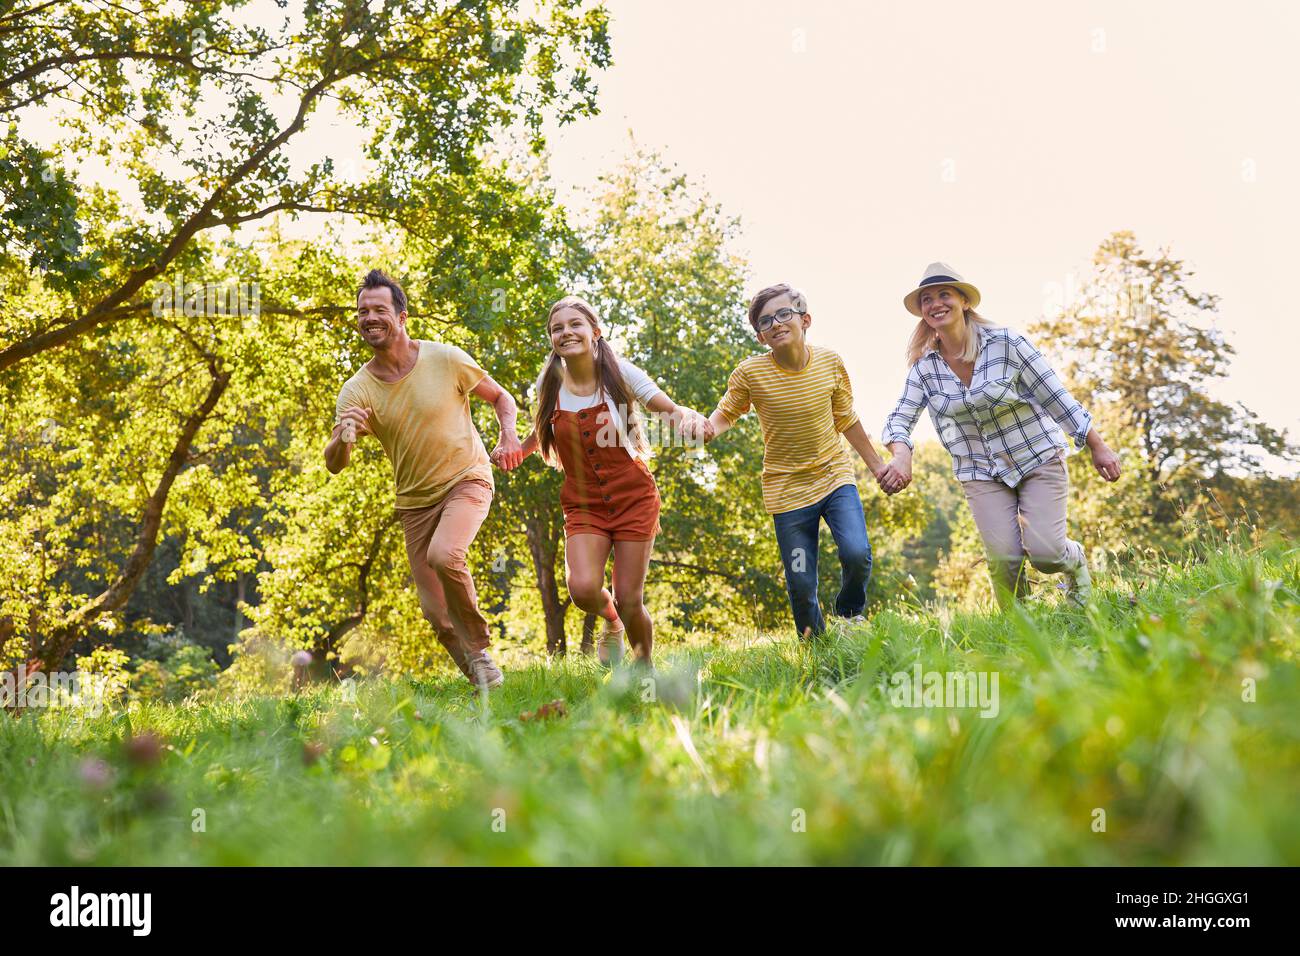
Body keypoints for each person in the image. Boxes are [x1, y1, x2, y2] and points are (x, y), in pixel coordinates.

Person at [324, 269, 523, 690]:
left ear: (402, 316)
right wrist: (344, 436)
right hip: (414, 503)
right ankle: (485, 684)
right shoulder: (356, 389)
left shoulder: (445, 358)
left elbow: (501, 397)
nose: (369, 317)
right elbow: (335, 463)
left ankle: (481, 651)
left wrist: (508, 436)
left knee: (445, 554)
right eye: (362, 312)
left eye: (379, 309)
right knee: (435, 612)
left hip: (466, 478)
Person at [879, 262, 1122, 607]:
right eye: (927, 300)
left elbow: (1055, 396)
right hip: (979, 472)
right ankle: (1020, 632)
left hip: (1037, 457)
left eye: (944, 294)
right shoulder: (925, 368)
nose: (935, 304)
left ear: (965, 301)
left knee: (1046, 554)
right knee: (1005, 562)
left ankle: (1075, 563)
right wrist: (901, 455)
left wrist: (1098, 445)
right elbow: (899, 418)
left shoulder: (1007, 343)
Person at [696, 283, 902, 639]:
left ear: (805, 320)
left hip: (834, 477)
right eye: (765, 321)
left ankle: (850, 615)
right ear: (760, 337)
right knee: (801, 581)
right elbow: (726, 413)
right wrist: (707, 430)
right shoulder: (750, 373)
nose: (775, 323)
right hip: (787, 491)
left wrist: (877, 466)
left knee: (856, 552)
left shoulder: (830, 362)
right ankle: (817, 649)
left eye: (783, 314)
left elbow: (846, 419)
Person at [518, 295, 705, 669]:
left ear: (595, 332)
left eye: (575, 325)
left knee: (629, 598)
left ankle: (643, 667)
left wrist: (687, 420)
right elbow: (541, 429)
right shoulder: (549, 381)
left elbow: (666, 409)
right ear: (551, 339)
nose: (566, 332)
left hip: (633, 498)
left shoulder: (620, 373)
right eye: (557, 328)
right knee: (583, 590)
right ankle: (613, 623)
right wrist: (516, 451)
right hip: (584, 504)